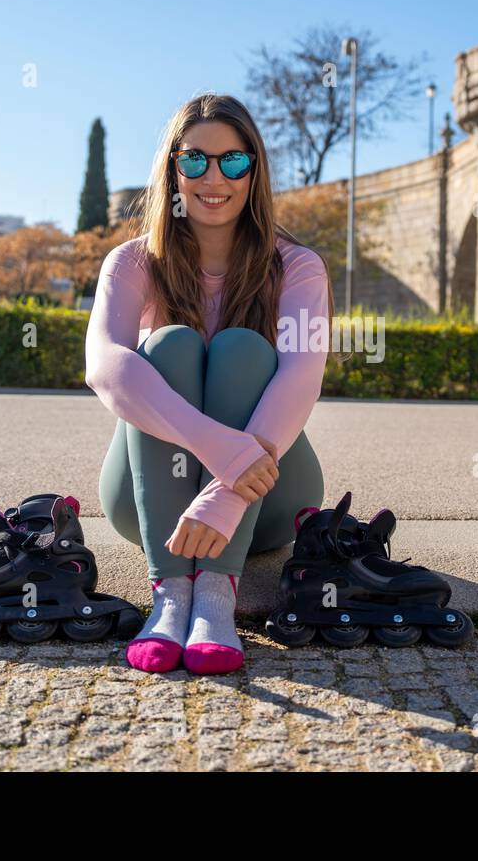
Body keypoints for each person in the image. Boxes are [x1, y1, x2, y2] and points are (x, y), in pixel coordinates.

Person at [85, 92, 338, 675]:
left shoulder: (298, 266)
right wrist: (219, 450)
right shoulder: (131, 262)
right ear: (173, 168)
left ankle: (217, 595)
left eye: (234, 161)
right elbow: (104, 364)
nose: (213, 176)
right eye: (195, 160)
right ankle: (171, 596)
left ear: (255, 171)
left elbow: (303, 375)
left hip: (269, 495)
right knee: (168, 346)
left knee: (242, 350)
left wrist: (226, 492)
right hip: (150, 502)